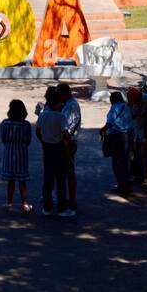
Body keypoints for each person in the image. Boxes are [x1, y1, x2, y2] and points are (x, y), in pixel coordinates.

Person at [36, 86, 72, 216]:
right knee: (61, 178)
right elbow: (65, 135)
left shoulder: (43, 115)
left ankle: (47, 207)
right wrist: (67, 150)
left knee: (48, 177)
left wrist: (43, 140)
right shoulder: (61, 117)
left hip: (47, 147)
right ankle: (62, 208)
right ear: (58, 103)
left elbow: (37, 131)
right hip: (59, 147)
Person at [1, 99, 33, 213]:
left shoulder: (5, 123)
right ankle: (24, 203)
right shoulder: (26, 125)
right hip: (22, 154)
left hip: (9, 153)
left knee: (11, 180)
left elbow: (3, 138)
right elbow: (28, 140)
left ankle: (9, 204)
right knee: (22, 180)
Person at [102, 91, 134, 195]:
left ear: (113, 99)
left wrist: (102, 130)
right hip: (129, 135)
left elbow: (110, 122)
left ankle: (122, 186)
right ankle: (127, 185)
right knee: (126, 161)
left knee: (118, 162)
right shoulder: (127, 106)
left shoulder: (115, 107)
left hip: (118, 136)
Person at [57, 82, 81, 212]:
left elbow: (68, 127)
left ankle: (72, 199)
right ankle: (68, 198)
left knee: (69, 171)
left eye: (59, 93)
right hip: (66, 140)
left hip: (68, 141)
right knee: (65, 170)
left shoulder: (71, 106)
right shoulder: (68, 104)